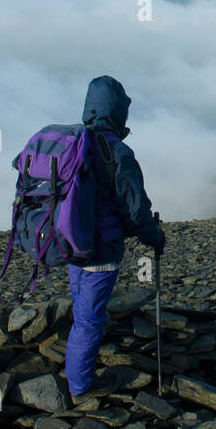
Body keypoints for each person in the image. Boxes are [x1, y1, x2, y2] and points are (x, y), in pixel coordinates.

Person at [65, 76, 165, 398]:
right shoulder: (118, 152)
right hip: (101, 250)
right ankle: (80, 387)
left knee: (82, 311)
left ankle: (75, 367)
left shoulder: (73, 144)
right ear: (118, 112)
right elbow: (135, 210)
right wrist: (155, 238)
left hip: (70, 244)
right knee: (88, 321)